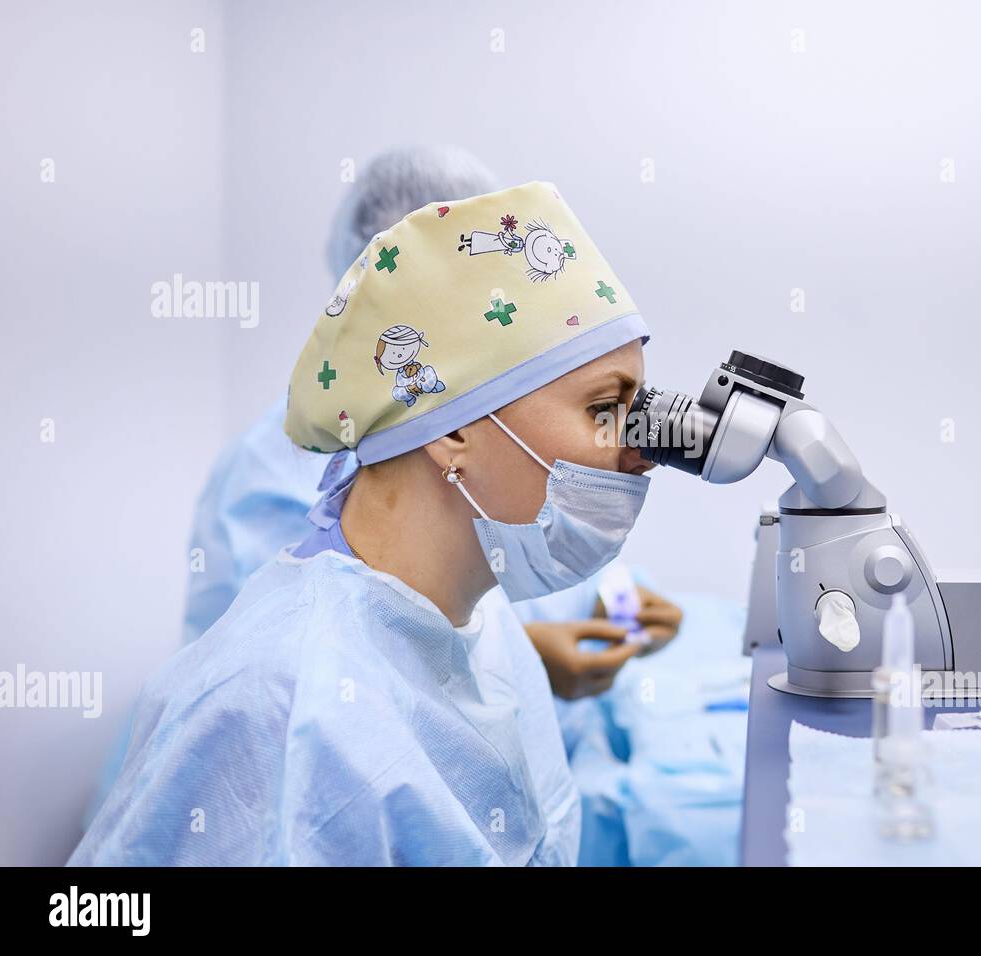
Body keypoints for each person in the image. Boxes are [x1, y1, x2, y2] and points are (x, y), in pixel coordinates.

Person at [71, 180, 654, 865]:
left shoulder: (479, 628)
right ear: (456, 426)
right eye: (604, 410)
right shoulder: (289, 714)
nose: (638, 450)